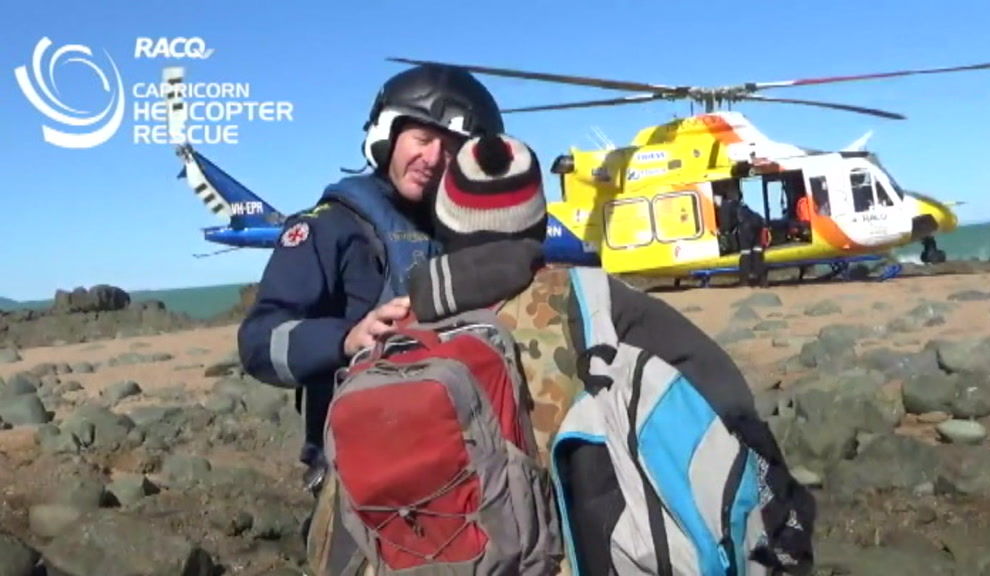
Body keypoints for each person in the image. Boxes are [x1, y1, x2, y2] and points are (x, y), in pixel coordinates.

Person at [405, 132, 760, 472]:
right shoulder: (594, 298)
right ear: (539, 222)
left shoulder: (402, 324)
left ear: (444, 221)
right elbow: (720, 389)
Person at [236, 63, 505, 494]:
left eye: (451, 148)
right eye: (421, 139)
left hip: (465, 463)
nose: (433, 158)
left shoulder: (465, 236)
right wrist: (345, 339)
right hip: (364, 479)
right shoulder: (330, 229)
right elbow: (258, 341)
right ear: (386, 136)